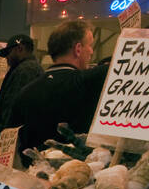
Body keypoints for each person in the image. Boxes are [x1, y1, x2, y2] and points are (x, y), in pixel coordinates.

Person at [6, 20, 108, 162]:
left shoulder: (24, 93)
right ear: (78, 49)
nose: (91, 51)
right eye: (89, 45)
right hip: (78, 177)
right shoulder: (88, 82)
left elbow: (10, 141)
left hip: (31, 176)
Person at [0, 33, 43, 153]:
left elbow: (11, 110)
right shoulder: (24, 68)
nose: (7, 58)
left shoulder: (26, 70)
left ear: (19, 48)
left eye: (8, 53)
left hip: (14, 146)